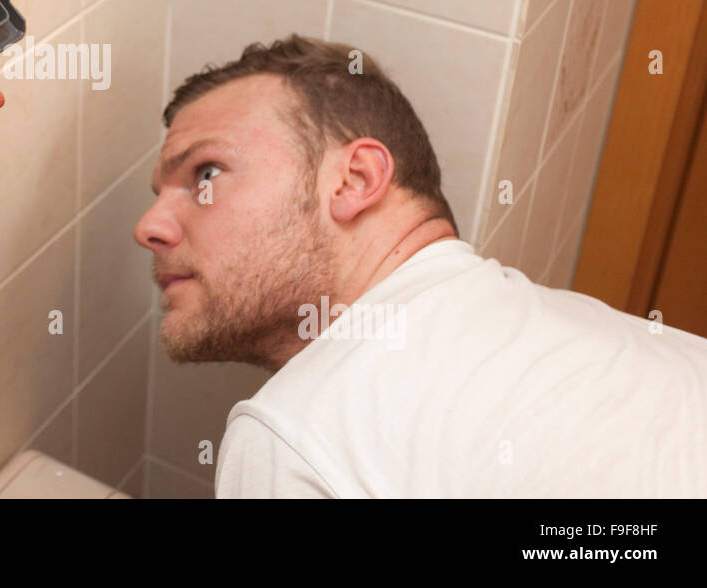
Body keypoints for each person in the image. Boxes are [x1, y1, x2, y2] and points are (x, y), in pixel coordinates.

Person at [134, 34, 707, 497]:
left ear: (356, 180)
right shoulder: (637, 345)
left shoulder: (295, 440)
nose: (149, 227)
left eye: (206, 174)